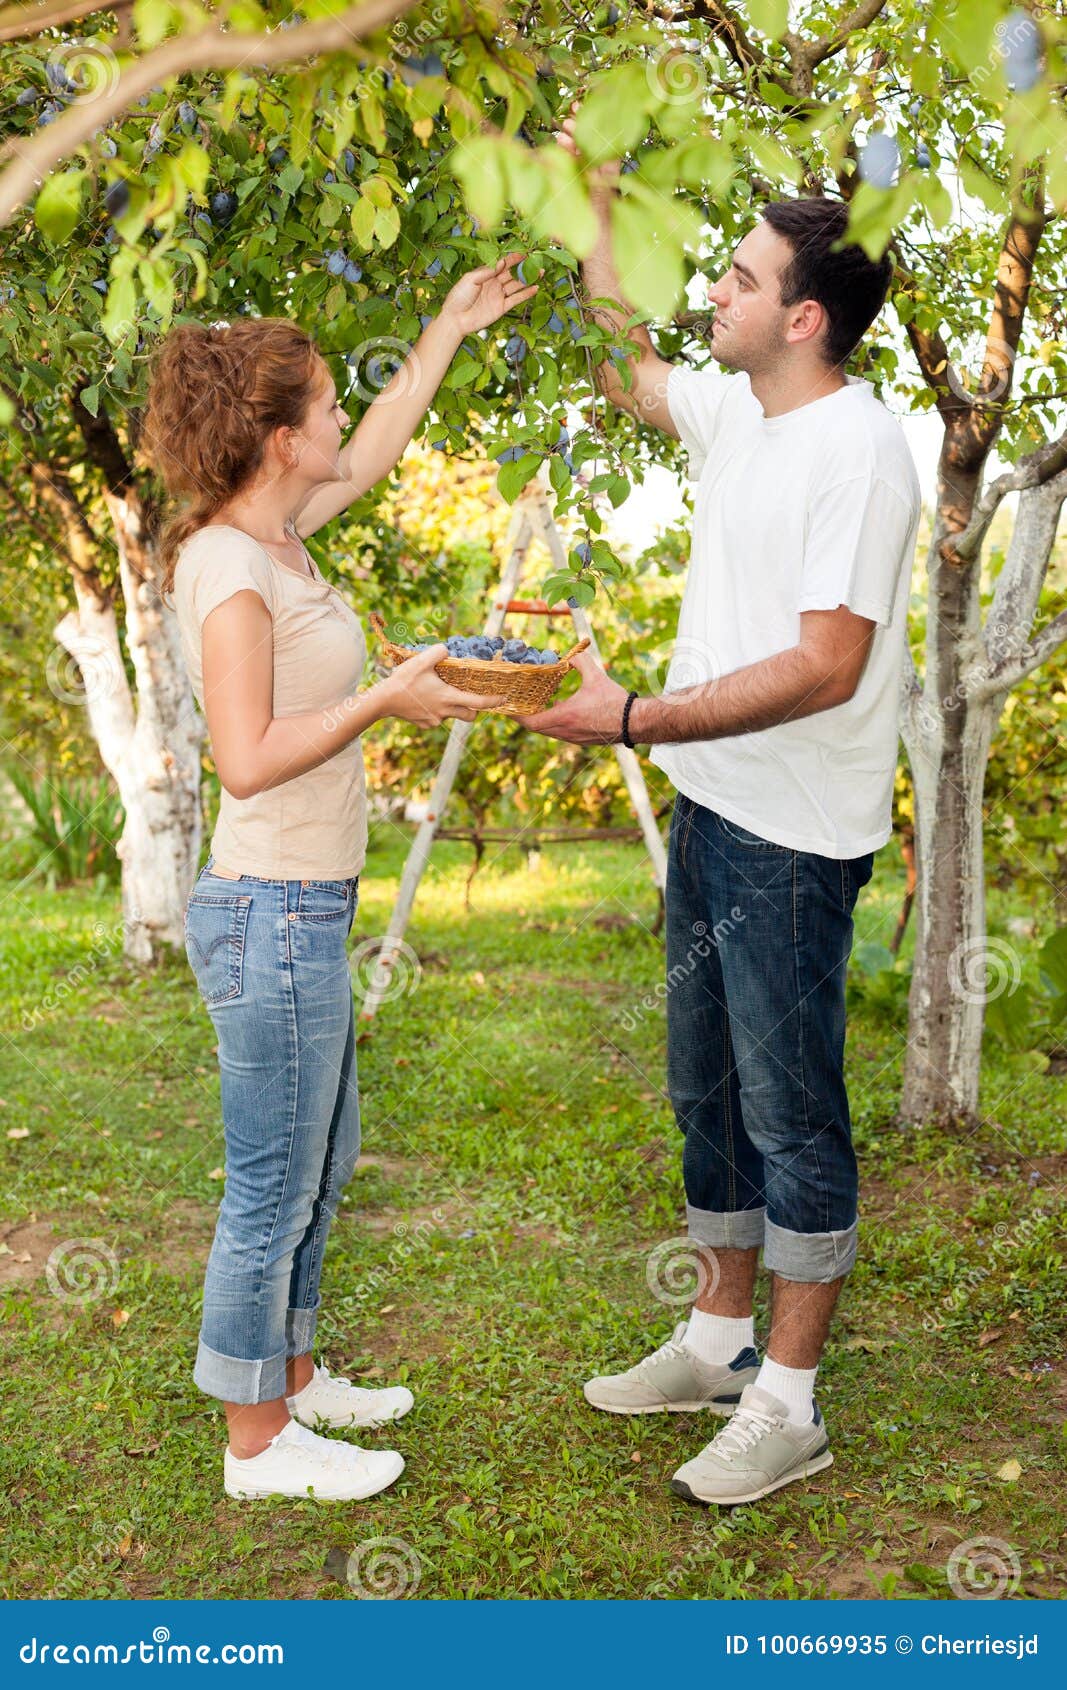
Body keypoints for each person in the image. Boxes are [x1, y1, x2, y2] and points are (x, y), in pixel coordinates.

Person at [525, 114, 921, 1505]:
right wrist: (593, 195)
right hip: (709, 810)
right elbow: (622, 348)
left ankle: (792, 1406)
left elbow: (826, 665)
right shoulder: (741, 417)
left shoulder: (855, 451)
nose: (715, 293)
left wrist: (629, 716)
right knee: (705, 1092)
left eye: (740, 281)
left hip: (792, 840)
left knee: (790, 1110)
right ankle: (713, 1340)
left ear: (800, 316)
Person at [144, 254, 535, 1503]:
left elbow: (374, 449)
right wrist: (390, 693)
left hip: (304, 906)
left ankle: (293, 1373)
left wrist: (449, 323)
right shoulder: (230, 568)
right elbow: (248, 759)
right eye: (317, 406)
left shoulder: (280, 531)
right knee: (270, 1175)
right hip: (270, 910)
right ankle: (256, 1444)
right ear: (273, 439)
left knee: (320, 1154)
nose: (333, 421)